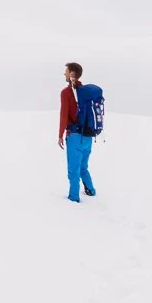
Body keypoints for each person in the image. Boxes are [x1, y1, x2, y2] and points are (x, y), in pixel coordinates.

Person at [57, 61, 101, 203]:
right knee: (83, 167)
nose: (64, 73)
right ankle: (91, 190)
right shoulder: (84, 93)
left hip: (75, 137)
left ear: (71, 74)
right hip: (88, 136)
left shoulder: (66, 93)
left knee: (73, 170)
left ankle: (74, 198)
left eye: (66, 71)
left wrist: (60, 135)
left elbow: (64, 115)